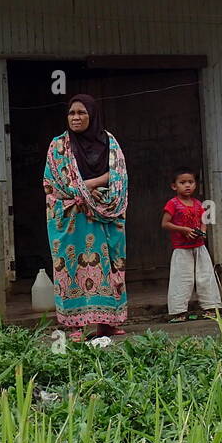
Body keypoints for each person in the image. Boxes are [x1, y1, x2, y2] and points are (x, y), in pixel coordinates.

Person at [43, 94, 129, 341]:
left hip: (106, 217)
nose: (76, 117)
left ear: (92, 115)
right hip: (72, 219)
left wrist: (92, 184)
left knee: (109, 266)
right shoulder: (58, 146)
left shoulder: (110, 143)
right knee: (72, 267)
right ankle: (75, 325)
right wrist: (90, 186)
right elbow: (53, 184)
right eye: (72, 113)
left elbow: (119, 177)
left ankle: (108, 323)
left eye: (82, 113)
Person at [161, 166, 220, 322]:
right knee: (181, 278)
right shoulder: (172, 204)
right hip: (181, 249)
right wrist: (183, 230)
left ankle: (210, 308)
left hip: (199, 247)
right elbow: (165, 223)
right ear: (174, 186)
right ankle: (179, 312)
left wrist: (203, 231)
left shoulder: (198, 203)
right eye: (182, 182)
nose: (187, 185)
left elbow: (203, 222)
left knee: (205, 276)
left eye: (191, 182)